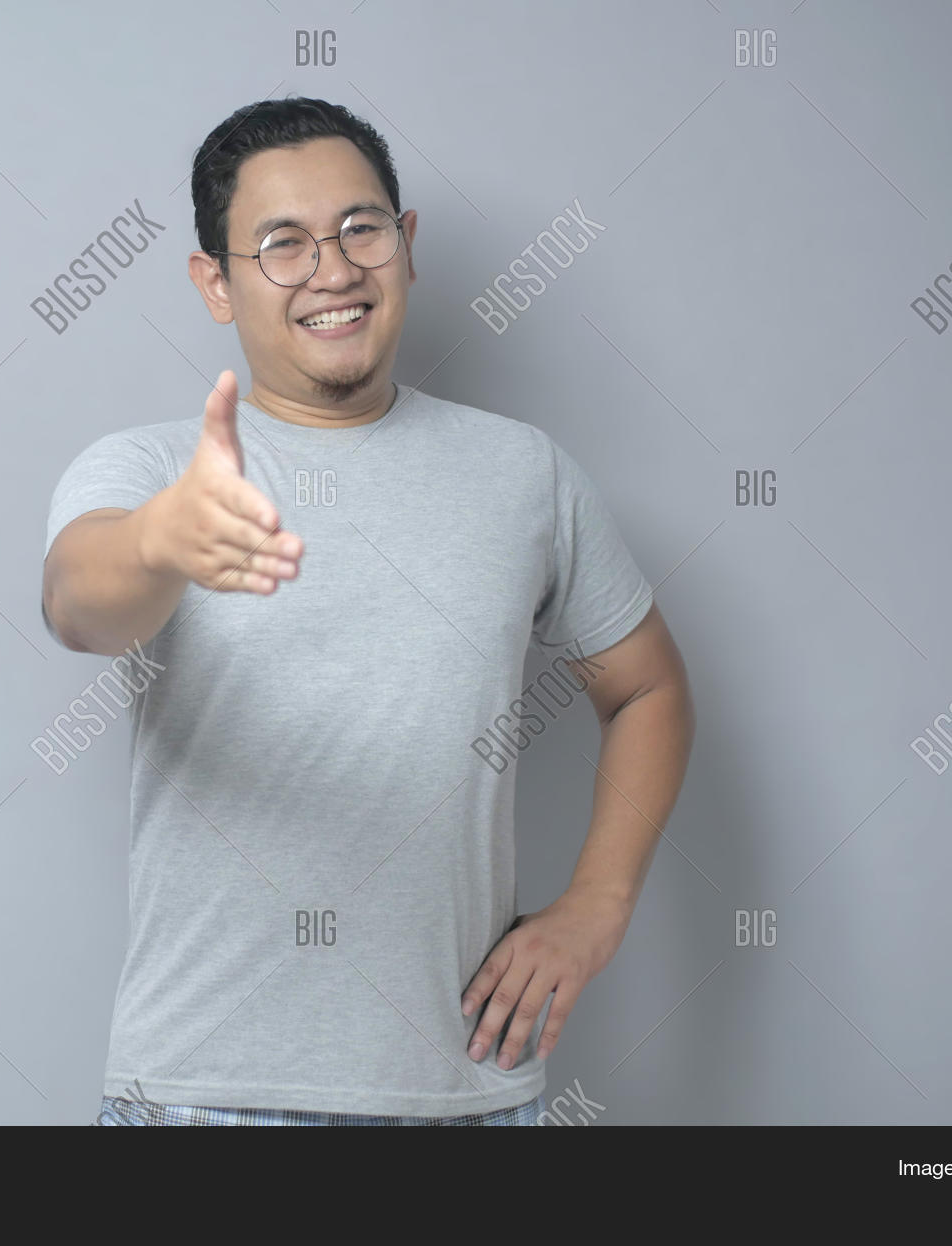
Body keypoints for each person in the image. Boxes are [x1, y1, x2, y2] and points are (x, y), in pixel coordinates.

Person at [41, 96, 694, 1126]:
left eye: (361, 229)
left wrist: (598, 904)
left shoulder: (525, 474)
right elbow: (80, 602)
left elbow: (648, 685)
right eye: (282, 245)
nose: (335, 270)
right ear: (215, 280)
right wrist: (161, 542)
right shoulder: (152, 471)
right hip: (205, 1102)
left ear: (408, 245)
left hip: (468, 1100)